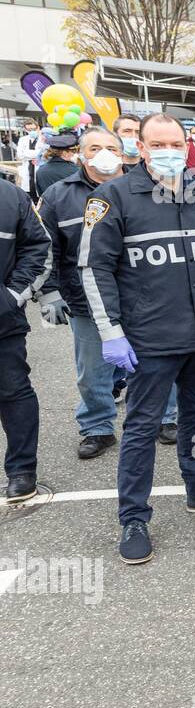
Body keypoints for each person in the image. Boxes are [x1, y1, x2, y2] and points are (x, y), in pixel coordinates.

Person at [80, 113, 195, 565]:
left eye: (176, 143)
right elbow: (94, 268)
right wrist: (111, 331)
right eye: (158, 143)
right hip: (149, 339)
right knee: (141, 428)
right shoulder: (112, 197)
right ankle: (134, 517)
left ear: (188, 145)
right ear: (140, 147)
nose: (169, 151)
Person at [37, 128, 180, 458]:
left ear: (123, 151)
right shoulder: (59, 195)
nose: (104, 153)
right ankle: (98, 427)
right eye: (95, 147)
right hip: (88, 301)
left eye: (111, 147)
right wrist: (49, 292)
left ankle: (165, 418)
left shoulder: (150, 187)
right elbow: (45, 248)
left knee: (159, 365)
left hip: (147, 299)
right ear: (80, 153)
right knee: (93, 373)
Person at [0, 165, 51, 503]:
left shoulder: (10, 197)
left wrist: (11, 296)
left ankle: (22, 470)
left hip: (2, 322)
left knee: (14, 391)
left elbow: (38, 249)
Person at [16, 119, 40, 194]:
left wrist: (26, 153)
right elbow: (20, 155)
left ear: (38, 128)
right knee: (28, 192)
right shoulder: (22, 140)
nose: (32, 131)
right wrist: (35, 154)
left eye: (33, 129)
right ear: (25, 130)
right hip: (27, 168)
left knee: (39, 190)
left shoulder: (43, 138)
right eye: (29, 130)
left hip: (38, 167)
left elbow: (41, 153)